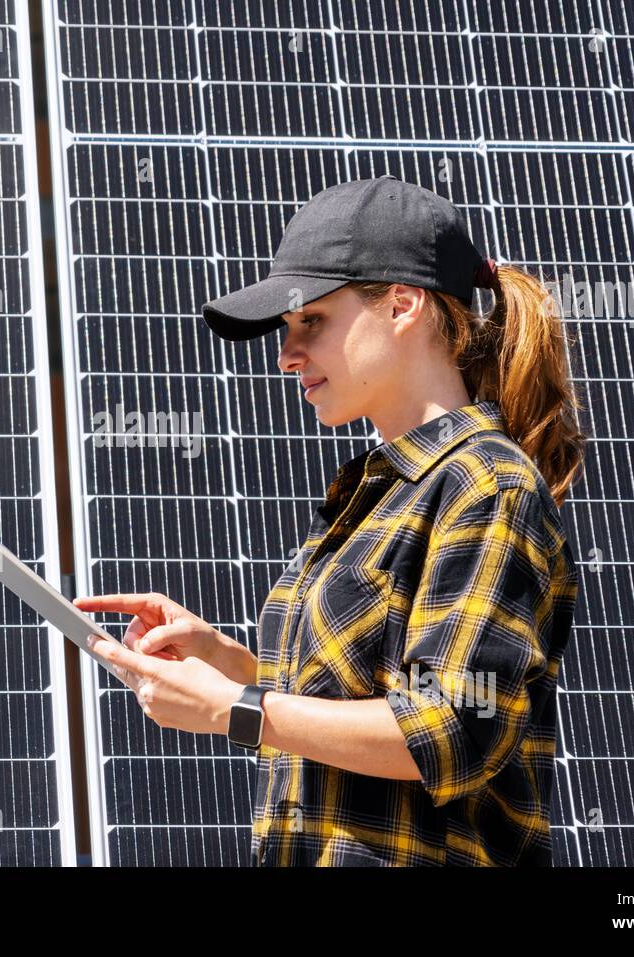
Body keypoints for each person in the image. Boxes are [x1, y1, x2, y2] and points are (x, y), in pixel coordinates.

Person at [75, 175, 585, 866]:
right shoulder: (376, 492)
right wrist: (226, 663)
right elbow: (360, 703)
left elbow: (457, 723)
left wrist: (238, 706)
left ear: (403, 304)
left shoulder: (486, 483)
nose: (286, 356)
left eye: (310, 321)